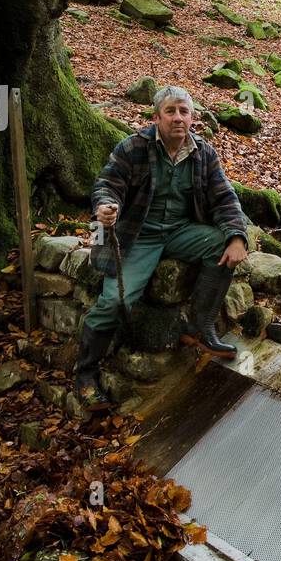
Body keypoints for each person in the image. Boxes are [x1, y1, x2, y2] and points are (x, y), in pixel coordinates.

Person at [74, 85, 249, 409]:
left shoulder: (204, 154)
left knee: (222, 246)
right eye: (170, 111)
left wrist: (237, 236)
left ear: (193, 117)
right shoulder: (133, 148)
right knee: (114, 300)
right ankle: (85, 375)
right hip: (139, 235)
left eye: (184, 111)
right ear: (156, 117)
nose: (178, 118)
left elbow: (225, 199)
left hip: (182, 232)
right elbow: (107, 184)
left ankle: (201, 324)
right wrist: (106, 206)